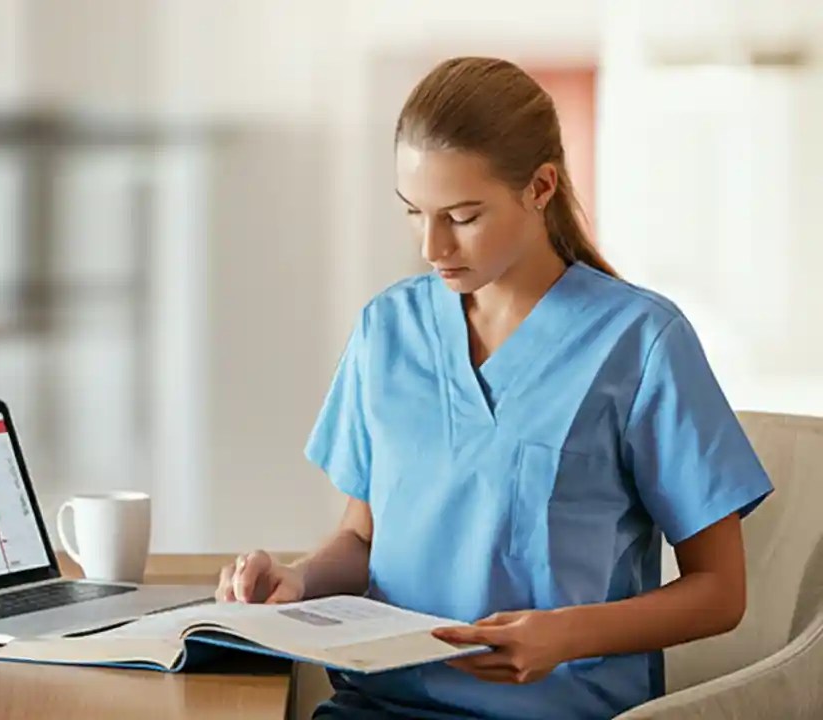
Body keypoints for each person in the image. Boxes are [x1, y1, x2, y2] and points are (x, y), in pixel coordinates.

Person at [214, 57, 773, 720]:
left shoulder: (641, 342)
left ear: (540, 187)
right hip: (377, 707)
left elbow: (720, 591)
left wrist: (565, 634)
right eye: (414, 212)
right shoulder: (388, 329)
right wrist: (297, 579)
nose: (432, 245)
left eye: (463, 215)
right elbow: (364, 541)